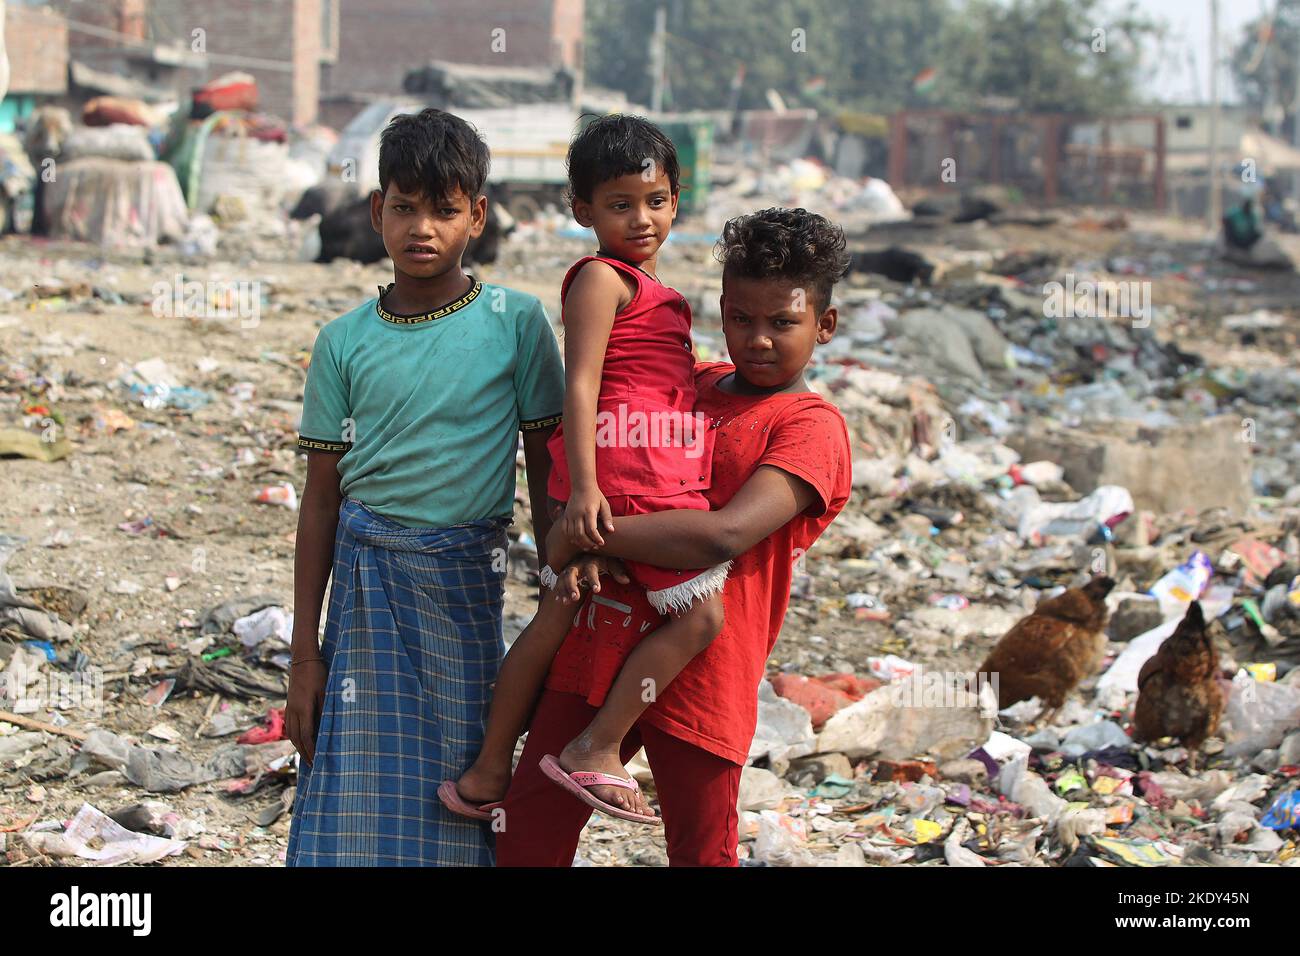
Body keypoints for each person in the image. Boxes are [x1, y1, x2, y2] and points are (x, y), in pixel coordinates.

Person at [497, 206, 854, 866]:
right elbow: (603, 427)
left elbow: (722, 536)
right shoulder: (696, 383)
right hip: (603, 643)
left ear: (824, 325)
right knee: (528, 829)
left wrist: (589, 538)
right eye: (742, 319)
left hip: (706, 669)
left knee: (699, 849)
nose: (759, 340)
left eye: (783, 323)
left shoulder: (812, 427)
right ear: (722, 310)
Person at [284, 108, 565, 866]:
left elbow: (545, 468)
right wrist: (305, 656)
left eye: (444, 210)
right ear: (377, 211)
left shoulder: (518, 324)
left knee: (462, 774)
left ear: (476, 215)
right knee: (351, 784)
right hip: (365, 592)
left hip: (465, 588)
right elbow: (320, 499)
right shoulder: (343, 341)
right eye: (404, 207)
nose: (422, 228)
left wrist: (552, 585)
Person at [442, 114, 727, 824]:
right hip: (619, 490)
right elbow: (582, 383)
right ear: (582, 211)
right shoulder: (602, 278)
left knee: (559, 614)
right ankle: (596, 747)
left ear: (677, 200)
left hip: (635, 480)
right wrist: (587, 490)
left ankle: (484, 774)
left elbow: (653, 381)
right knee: (703, 616)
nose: (641, 218)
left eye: (656, 201)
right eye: (619, 204)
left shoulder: (654, 291)